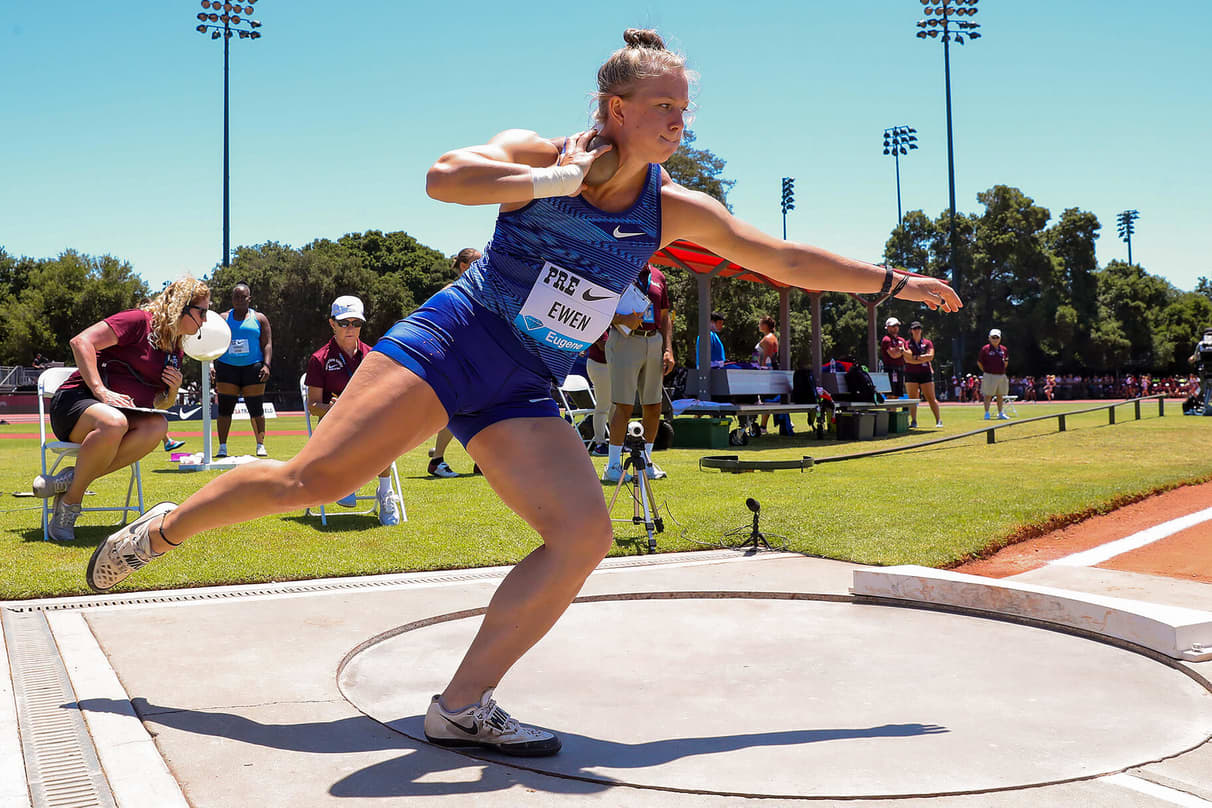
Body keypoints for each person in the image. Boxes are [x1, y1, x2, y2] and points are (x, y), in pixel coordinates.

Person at [86, 29, 960, 758]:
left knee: (583, 534)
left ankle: (461, 705)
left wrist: (894, 280)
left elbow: (782, 258)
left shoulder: (671, 205)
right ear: (616, 108)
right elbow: (442, 177)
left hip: (525, 382)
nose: (679, 124)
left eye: (685, 109)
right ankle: (165, 527)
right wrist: (551, 183)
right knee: (310, 482)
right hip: (454, 343)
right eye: (665, 107)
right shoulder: (542, 154)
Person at [33, 278, 210, 540]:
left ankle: (70, 483)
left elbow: (157, 403)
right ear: (182, 307)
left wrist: (171, 392)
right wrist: (100, 390)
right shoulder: (139, 321)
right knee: (114, 423)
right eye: (202, 312)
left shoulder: (175, 348)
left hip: (121, 418)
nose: (205, 320)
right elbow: (80, 342)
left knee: (159, 425)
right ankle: (71, 504)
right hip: (78, 403)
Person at [305, 296, 401, 525]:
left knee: (385, 433)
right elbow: (313, 406)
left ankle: (384, 492)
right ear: (332, 323)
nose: (350, 328)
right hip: (334, 427)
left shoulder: (374, 355)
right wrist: (333, 408)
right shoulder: (319, 359)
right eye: (344, 322)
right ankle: (346, 482)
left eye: (356, 323)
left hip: (370, 422)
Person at [604, 263, 674, 482]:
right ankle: (613, 465)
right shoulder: (617, 270)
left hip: (653, 342)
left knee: (654, 406)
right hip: (625, 340)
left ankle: (646, 462)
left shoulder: (659, 276)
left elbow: (664, 317)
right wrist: (622, 319)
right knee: (623, 405)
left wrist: (668, 349)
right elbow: (598, 308)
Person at [428, 248, 483, 477]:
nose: (483, 265)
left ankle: (481, 460)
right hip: (455, 358)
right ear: (464, 266)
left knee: (477, 408)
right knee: (454, 410)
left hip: (475, 358)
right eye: (477, 262)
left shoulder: (481, 290)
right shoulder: (451, 291)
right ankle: (437, 460)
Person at [212, 282, 273, 458]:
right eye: (236, 297)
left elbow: (267, 344)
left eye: (243, 297)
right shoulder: (222, 318)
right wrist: (211, 364)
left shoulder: (259, 318)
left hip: (253, 367)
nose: (239, 300)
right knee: (225, 409)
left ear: (249, 298)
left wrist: (267, 365)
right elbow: (212, 343)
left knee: (256, 409)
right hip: (226, 367)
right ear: (232, 299)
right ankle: (222, 447)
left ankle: (260, 445)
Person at [903, 321, 942, 428]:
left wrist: (915, 358)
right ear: (911, 330)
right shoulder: (907, 343)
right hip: (911, 373)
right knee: (912, 398)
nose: (917, 331)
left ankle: (938, 420)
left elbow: (930, 356)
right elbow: (907, 359)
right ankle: (914, 421)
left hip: (925, 373)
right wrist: (920, 358)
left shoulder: (927, 342)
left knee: (931, 397)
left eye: (919, 328)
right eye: (915, 329)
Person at [583, 330, 611, 456]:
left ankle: (616, 441)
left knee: (615, 406)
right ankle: (600, 444)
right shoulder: (602, 323)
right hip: (600, 366)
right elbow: (603, 345)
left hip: (610, 366)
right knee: (603, 406)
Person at [752, 315, 780, 434]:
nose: (759, 326)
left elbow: (765, 357)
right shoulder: (773, 338)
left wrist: (759, 369)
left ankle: (761, 426)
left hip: (764, 371)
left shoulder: (767, 339)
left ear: (765, 325)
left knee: (763, 399)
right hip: (768, 370)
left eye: (760, 323)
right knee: (766, 400)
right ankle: (763, 426)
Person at [978, 328, 1010, 420]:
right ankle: (987, 413)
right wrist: (986, 371)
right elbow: (979, 362)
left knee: (1000, 395)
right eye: (993, 337)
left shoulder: (1004, 349)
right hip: (989, 375)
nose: (995, 339)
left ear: (1000, 338)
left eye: (997, 337)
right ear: (989, 338)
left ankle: (1000, 413)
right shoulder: (985, 349)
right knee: (988, 395)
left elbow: (1006, 362)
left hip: (1001, 375)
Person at [880, 317, 907, 397]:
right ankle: (890, 410)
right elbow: (893, 355)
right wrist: (902, 351)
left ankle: (893, 410)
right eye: (893, 326)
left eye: (897, 325)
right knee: (890, 394)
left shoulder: (901, 340)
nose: (896, 327)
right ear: (888, 327)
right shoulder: (886, 340)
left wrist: (900, 351)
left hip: (900, 368)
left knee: (897, 394)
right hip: (890, 369)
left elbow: (908, 353)